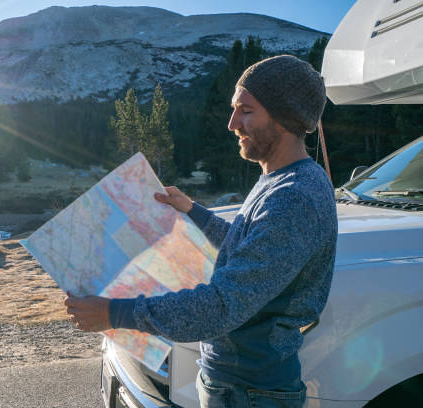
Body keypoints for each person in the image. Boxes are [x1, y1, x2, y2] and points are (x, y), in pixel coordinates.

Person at [65, 55, 338, 408]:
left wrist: (115, 313)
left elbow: (220, 307)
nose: (231, 123)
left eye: (246, 111)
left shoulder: (295, 196)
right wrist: (193, 211)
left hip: (250, 393)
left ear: (285, 117)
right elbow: (248, 251)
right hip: (240, 384)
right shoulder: (279, 180)